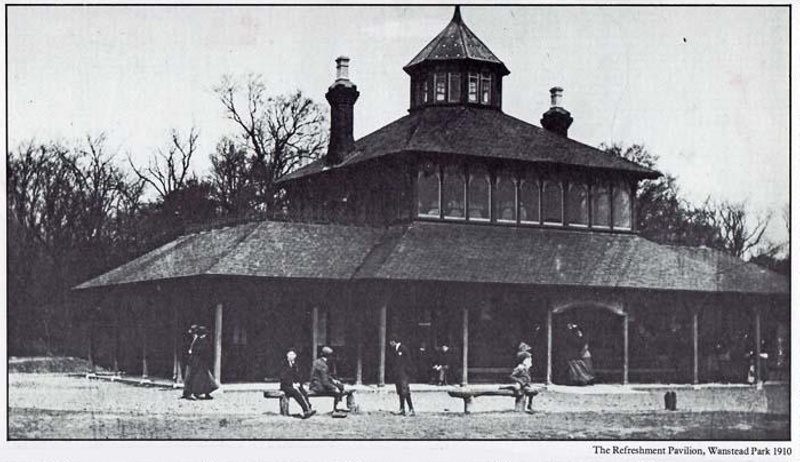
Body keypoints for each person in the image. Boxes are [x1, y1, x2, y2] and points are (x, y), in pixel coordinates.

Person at [181, 325, 218, 400]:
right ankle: (192, 393)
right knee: (196, 378)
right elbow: (198, 350)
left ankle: (206, 393)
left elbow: (202, 351)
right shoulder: (199, 340)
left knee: (204, 379)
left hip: (201, 362)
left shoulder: (201, 340)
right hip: (197, 362)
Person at [309, 346, 349, 412]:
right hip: (318, 387)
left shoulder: (317, 362)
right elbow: (325, 382)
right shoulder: (323, 365)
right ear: (328, 356)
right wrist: (334, 387)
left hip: (314, 385)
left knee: (339, 386)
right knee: (338, 390)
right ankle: (337, 408)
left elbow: (325, 376)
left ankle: (339, 406)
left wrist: (333, 380)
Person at [279, 348, 315, 419]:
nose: (292, 356)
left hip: (294, 384)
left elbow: (298, 376)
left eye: (293, 354)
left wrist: (298, 383)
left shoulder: (295, 364)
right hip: (286, 385)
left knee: (303, 390)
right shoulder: (283, 364)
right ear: (287, 355)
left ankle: (309, 408)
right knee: (295, 392)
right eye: (290, 354)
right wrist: (291, 384)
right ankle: (305, 410)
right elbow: (283, 377)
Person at [389, 337, 415, 416]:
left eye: (390, 342)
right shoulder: (394, 350)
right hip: (398, 374)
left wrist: (406, 373)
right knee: (400, 391)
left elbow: (408, 361)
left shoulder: (403, 349)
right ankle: (402, 408)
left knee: (405, 391)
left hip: (403, 374)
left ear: (394, 341)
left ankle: (411, 409)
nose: (390, 344)